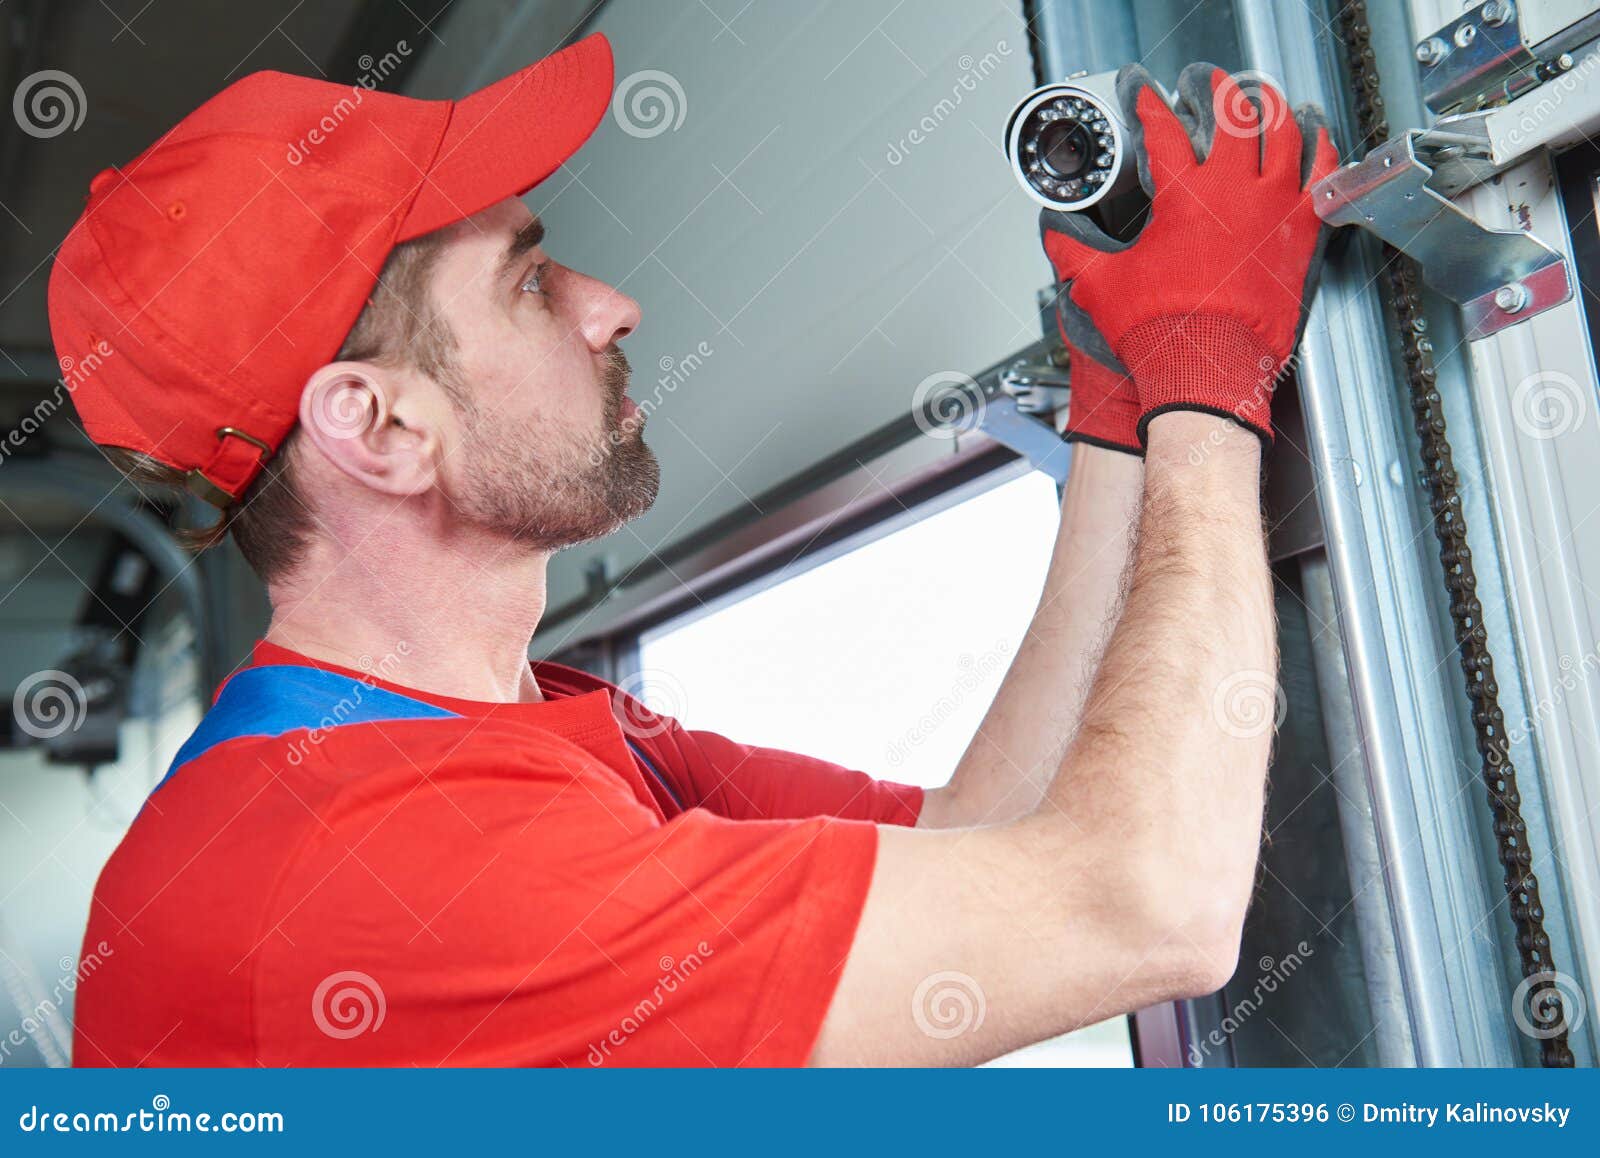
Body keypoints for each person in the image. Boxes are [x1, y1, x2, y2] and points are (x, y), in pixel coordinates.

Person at [49, 33, 1336, 1066]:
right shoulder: (363, 865)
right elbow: (1142, 907)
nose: (611, 306)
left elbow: (977, 836)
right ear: (377, 427)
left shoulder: (531, 729)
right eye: (527, 283)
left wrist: (1121, 404)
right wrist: (1208, 368)